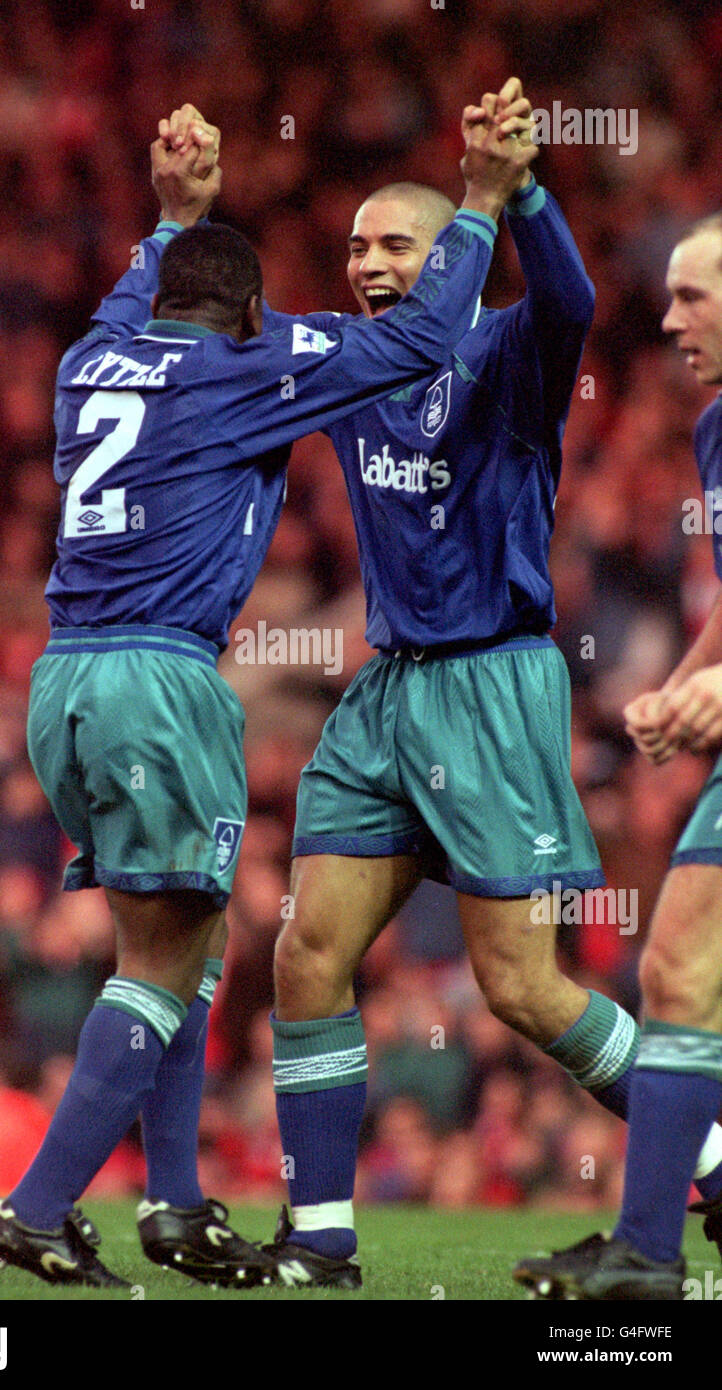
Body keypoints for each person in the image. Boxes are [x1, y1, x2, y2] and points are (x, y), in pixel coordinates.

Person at [164, 80, 722, 1289]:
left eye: (393, 243)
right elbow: (220, 335)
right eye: (355, 244)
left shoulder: (511, 348)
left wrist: (517, 190)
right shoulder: (355, 361)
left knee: (519, 988)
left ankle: (717, 1165)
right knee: (307, 954)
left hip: (490, 685)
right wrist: (186, 216)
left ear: (447, 254)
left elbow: (567, 293)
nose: (365, 262)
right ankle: (320, 1240)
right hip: (383, 691)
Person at [0, 106, 534, 1289]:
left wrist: (175, 212)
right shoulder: (242, 367)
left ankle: (175, 1206)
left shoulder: (94, 354)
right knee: (163, 966)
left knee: (182, 942)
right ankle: (33, 1207)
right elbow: (417, 343)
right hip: (158, 684)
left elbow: (141, 292)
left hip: (61, 680)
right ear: (245, 315)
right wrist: (480, 206)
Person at [513, 211, 722, 1301]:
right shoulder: (716, 427)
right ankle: (647, 1251)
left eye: (692, 295)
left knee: (678, 969)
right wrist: (689, 680)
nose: (668, 315)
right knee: (676, 969)